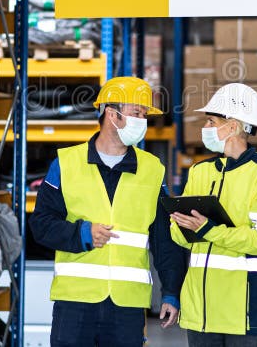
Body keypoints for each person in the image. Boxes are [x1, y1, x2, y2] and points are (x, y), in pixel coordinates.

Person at [30, 76, 186, 347]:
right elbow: (41, 225)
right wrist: (81, 234)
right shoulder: (66, 163)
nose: (143, 121)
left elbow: (165, 239)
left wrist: (171, 292)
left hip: (127, 306)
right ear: (112, 115)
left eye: (145, 115)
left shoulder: (152, 169)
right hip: (75, 303)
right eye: (137, 113)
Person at [169, 83, 257, 346]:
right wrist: (180, 224)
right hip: (200, 313)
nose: (205, 127)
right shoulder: (200, 172)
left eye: (211, 121)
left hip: (242, 314)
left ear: (233, 126)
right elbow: (179, 237)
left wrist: (209, 230)